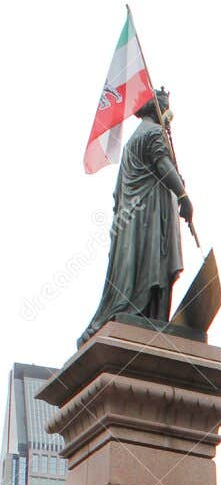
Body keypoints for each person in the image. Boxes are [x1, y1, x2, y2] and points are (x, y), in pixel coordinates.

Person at [82, 88, 194, 341]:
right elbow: (163, 165)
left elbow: (120, 190)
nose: (168, 111)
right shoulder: (153, 133)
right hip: (150, 216)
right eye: (164, 105)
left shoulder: (134, 139)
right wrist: (184, 196)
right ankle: (148, 316)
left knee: (139, 266)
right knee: (153, 260)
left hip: (132, 218)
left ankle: (144, 314)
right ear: (155, 107)